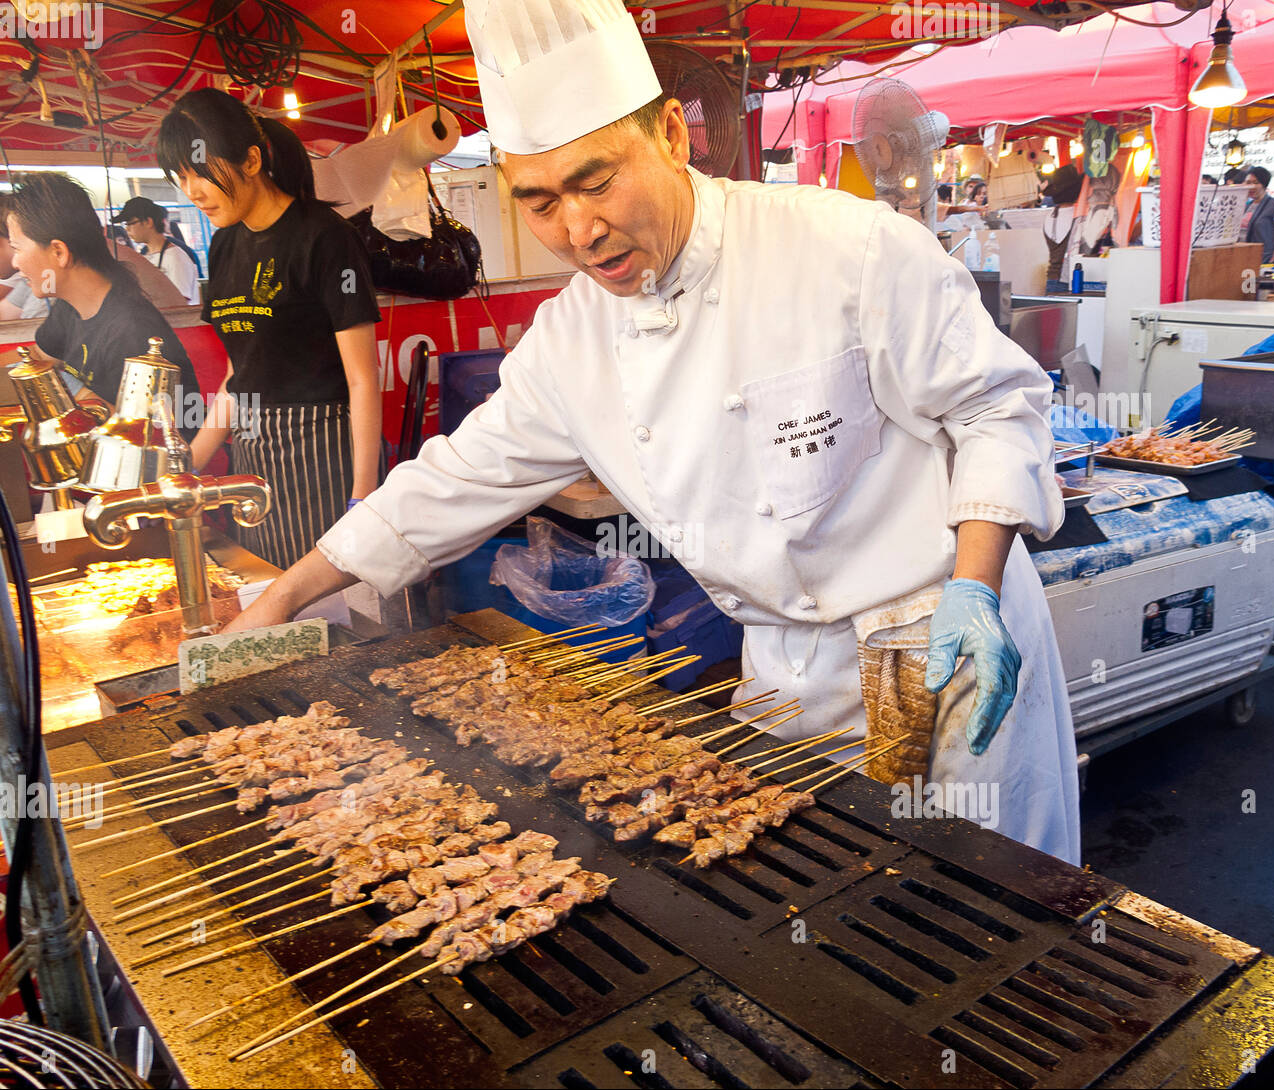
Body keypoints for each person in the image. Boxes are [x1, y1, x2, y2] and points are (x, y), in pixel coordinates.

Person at [225, 0, 1079, 864]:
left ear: (673, 133)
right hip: (793, 668)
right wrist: (278, 602)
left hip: (949, 639)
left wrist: (975, 589)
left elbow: (996, 408)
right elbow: (445, 482)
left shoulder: (845, 248)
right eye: (540, 202)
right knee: (826, 901)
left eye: (597, 182)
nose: (579, 231)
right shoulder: (571, 343)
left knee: (990, 907)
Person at [155, 88, 383, 570]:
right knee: (264, 593)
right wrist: (190, 464)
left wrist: (365, 493)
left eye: (199, 172)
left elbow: (363, 378)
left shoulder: (324, 237)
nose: (191, 191)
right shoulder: (222, 247)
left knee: (328, 613)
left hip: (324, 453)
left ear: (252, 160)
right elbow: (242, 375)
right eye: (180, 177)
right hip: (254, 453)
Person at [7, 173, 198, 407]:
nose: (15, 263)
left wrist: (75, 390)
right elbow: (36, 356)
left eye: (17, 248)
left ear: (59, 252)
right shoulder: (70, 308)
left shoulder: (131, 331)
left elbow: (137, 433)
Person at [112, 196, 200, 304]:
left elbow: (180, 300)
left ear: (148, 222)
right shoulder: (144, 255)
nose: (127, 229)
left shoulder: (175, 257)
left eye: (130, 223)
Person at [0, 195, 50, 321]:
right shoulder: (30, 274)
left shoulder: (48, 277)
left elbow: (32, 331)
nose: (15, 263)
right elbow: (5, 313)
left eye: (16, 247)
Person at [1240, 166, 1274, 262]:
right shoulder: (1247, 205)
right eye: (1248, 183)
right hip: (1244, 258)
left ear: (1264, 184)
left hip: (1264, 261)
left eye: (1256, 183)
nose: (1252, 186)